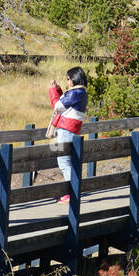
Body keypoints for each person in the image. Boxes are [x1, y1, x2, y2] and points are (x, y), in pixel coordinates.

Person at [48, 67, 89, 204]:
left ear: (73, 78)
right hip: (72, 129)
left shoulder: (75, 92)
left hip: (66, 129)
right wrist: (59, 91)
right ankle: (73, 191)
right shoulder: (80, 92)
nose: (67, 81)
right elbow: (65, 103)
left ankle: (71, 193)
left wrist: (53, 91)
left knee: (64, 161)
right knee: (69, 161)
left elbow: (57, 106)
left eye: (68, 78)